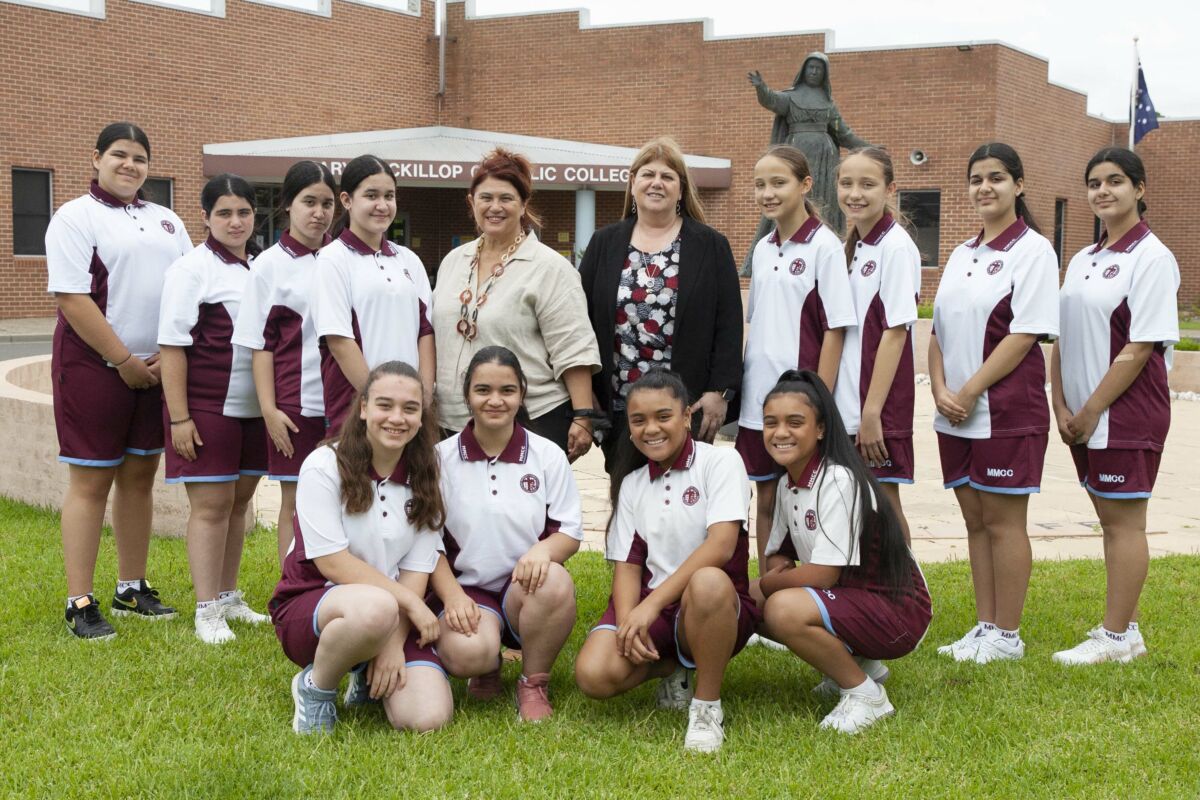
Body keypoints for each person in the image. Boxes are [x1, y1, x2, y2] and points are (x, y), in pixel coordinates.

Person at [46, 122, 191, 639]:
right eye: (120, 155)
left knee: (138, 476)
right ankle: (79, 601)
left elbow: (185, 290)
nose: (130, 165)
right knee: (90, 480)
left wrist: (164, 361)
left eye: (140, 158)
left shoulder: (168, 221)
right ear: (96, 158)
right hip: (94, 367)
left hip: (156, 370)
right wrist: (123, 359)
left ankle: (130, 587)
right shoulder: (74, 217)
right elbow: (71, 296)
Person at [574, 370, 759, 754]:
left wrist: (651, 607)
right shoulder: (633, 483)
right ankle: (672, 667)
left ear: (687, 416)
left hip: (713, 606)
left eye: (663, 416)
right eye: (638, 420)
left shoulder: (721, 464)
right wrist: (630, 623)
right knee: (593, 675)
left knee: (707, 581)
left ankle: (706, 706)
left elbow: (722, 546)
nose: (651, 429)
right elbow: (628, 564)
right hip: (652, 607)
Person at [269, 361, 450, 735]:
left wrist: (392, 645)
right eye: (385, 405)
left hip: (390, 616)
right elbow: (333, 563)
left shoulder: (427, 471)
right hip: (316, 605)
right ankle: (316, 687)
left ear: (421, 417)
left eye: (410, 409)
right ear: (364, 408)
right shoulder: (324, 465)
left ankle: (366, 673)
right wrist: (412, 605)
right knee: (375, 606)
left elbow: (418, 569)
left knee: (426, 717)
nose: (397, 418)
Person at [929, 143, 1059, 664]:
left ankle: (1009, 633)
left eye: (997, 178)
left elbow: (1024, 334)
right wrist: (940, 388)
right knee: (975, 521)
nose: (986, 187)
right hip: (953, 411)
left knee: (1005, 522)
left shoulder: (1034, 251)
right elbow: (936, 329)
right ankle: (985, 627)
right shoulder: (963, 253)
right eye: (977, 178)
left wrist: (969, 390)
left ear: (1019, 185)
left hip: (1006, 410)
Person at [1050, 147, 1179, 665]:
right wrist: (1060, 402)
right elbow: (1062, 336)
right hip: (1082, 415)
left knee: (1125, 523)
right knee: (1109, 520)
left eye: (1116, 181)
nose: (1103, 191)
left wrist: (1090, 410)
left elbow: (1139, 347)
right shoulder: (1085, 258)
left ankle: (1118, 637)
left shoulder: (1153, 257)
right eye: (1094, 183)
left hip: (1125, 413)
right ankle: (1124, 628)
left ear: (1140, 190)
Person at [753, 370, 931, 734]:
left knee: (780, 607)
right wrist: (772, 576)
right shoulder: (789, 482)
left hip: (900, 613)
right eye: (771, 423)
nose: (780, 432)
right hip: (855, 599)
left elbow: (822, 575)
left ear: (820, 429)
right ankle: (862, 666)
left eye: (795, 422)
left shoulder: (838, 478)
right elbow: (780, 554)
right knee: (749, 599)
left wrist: (769, 585)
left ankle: (866, 695)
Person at [430, 346, 583, 722]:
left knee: (557, 581)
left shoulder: (547, 455)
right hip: (470, 592)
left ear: (522, 394)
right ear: (466, 394)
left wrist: (543, 551)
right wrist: (451, 596)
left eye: (507, 390)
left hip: (524, 586)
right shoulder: (438, 458)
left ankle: (533, 684)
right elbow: (424, 541)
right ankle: (487, 665)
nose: (495, 400)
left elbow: (570, 531)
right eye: (483, 390)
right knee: (467, 654)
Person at [578, 136, 743, 472]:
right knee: (625, 500)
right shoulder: (604, 243)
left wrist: (719, 392)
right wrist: (585, 392)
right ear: (633, 183)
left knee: (683, 501)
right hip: (621, 407)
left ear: (681, 189)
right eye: (648, 174)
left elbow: (729, 323)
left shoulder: (710, 245)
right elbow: (580, 322)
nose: (657, 183)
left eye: (667, 177)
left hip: (687, 407)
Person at [158, 173, 270, 644]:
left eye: (243, 211)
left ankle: (228, 596)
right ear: (204, 217)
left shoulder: (263, 266)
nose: (235, 221)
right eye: (224, 212)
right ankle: (206, 610)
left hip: (256, 409)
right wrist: (180, 417)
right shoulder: (191, 269)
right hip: (206, 407)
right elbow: (171, 346)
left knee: (239, 502)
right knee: (210, 506)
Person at [432, 148, 600, 459]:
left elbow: (573, 346)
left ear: (523, 204)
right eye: (486, 198)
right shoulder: (453, 261)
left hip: (531, 418)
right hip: (454, 419)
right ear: (472, 202)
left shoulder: (549, 267)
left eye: (506, 198)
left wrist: (583, 415)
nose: (495, 207)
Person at [737, 145, 855, 574]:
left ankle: (811, 591)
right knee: (765, 497)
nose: (767, 193)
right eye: (760, 185)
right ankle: (769, 590)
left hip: (800, 401)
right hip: (757, 402)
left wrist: (817, 398)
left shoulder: (825, 246)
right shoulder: (764, 248)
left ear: (805, 184)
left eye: (778, 183)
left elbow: (836, 328)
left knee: (809, 497)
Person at [232, 161, 337, 566]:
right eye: (309, 201)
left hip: (346, 402)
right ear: (287, 204)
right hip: (296, 405)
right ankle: (291, 590)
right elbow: (260, 346)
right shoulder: (269, 265)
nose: (319, 212)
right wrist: (269, 410)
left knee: (346, 495)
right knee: (296, 499)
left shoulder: (341, 257)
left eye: (327, 203)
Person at [833, 147, 922, 543]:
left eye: (867, 184)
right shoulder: (853, 247)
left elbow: (896, 332)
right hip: (848, 404)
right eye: (846, 183)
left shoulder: (896, 246)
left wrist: (872, 414)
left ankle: (908, 597)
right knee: (858, 507)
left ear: (890, 189)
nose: (855, 193)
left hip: (876, 409)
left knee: (884, 504)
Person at [311, 155, 433, 431]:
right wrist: (378, 403)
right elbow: (339, 341)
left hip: (409, 413)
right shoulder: (332, 259)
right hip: (356, 408)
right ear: (346, 200)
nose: (382, 205)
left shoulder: (408, 260)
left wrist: (421, 397)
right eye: (371, 195)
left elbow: (426, 331)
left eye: (389, 196)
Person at [744, 52, 871, 270]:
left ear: (824, 74)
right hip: (798, 155)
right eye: (810, 67)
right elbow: (772, 100)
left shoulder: (828, 104)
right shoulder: (792, 97)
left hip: (825, 160)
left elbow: (844, 134)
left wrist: (868, 148)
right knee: (793, 201)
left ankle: (825, 251)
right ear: (803, 70)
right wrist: (761, 88)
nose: (814, 72)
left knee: (825, 204)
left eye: (818, 69)